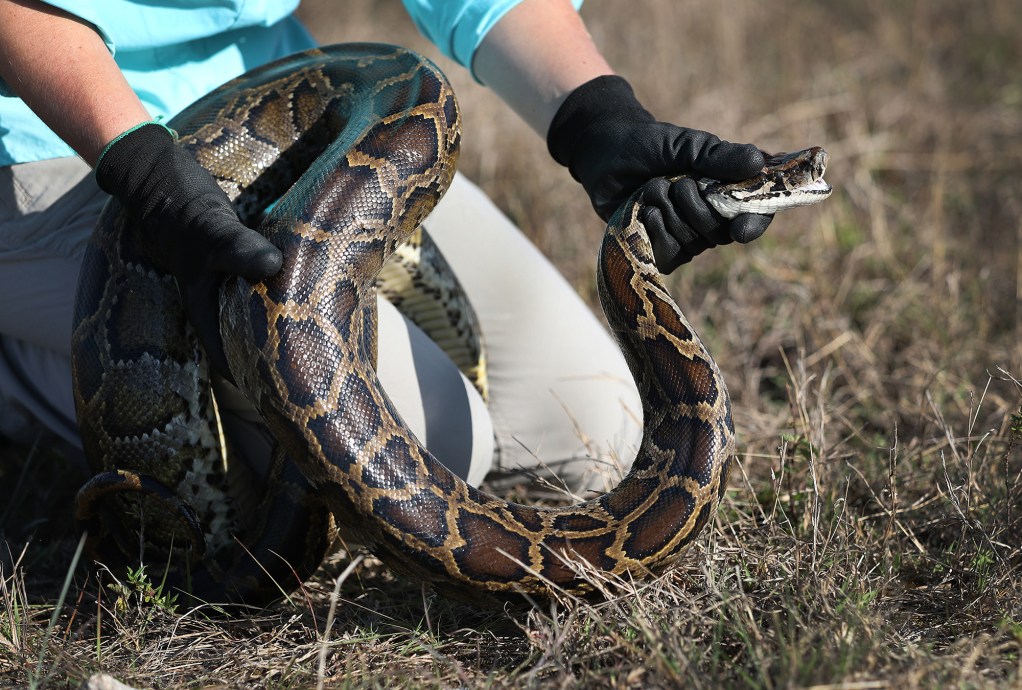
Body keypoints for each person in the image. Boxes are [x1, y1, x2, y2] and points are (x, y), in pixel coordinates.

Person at [0, 0, 771, 496]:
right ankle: (23, 363)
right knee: (430, 458)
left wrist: (597, 115)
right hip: (53, 134)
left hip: (284, 114)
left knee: (594, 431)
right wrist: (139, 161)